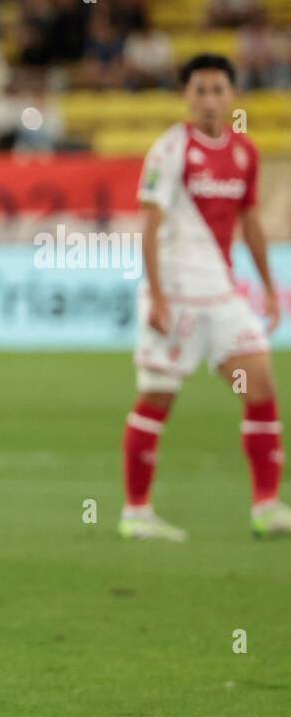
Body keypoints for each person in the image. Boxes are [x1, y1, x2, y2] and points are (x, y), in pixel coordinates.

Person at [120, 53, 290, 541]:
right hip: (175, 294)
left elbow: (251, 223)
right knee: (158, 396)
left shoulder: (245, 153)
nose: (210, 99)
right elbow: (149, 227)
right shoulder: (170, 150)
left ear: (232, 96)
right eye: (200, 90)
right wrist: (155, 296)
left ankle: (266, 505)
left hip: (220, 294)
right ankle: (136, 511)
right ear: (186, 96)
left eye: (219, 90)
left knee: (258, 383)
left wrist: (269, 288)